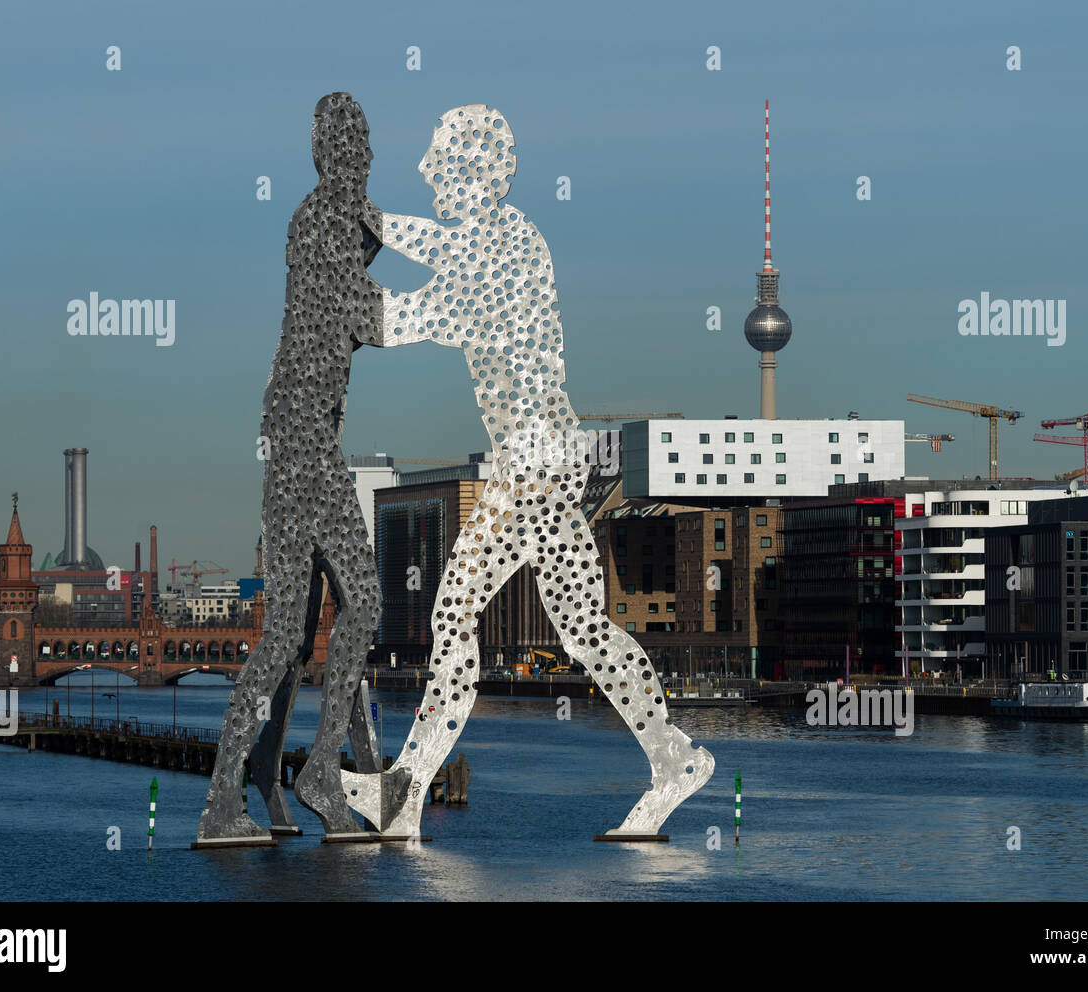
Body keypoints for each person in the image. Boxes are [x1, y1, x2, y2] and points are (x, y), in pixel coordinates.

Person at [342, 106, 714, 839]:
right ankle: (673, 757)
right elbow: (444, 248)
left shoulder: (504, 254)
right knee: (582, 631)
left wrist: (334, 297)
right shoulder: (506, 237)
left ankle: (405, 791)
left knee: (456, 615)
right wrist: (374, 220)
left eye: (439, 161)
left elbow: (412, 316)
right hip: (547, 461)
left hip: (532, 468)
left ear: (476, 171)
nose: (426, 170)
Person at [197, 93, 389, 843]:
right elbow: (365, 316)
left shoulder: (324, 219)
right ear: (331, 153)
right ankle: (303, 777)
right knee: (361, 604)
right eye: (352, 145)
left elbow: (354, 276)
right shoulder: (324, 221)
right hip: (304, 439)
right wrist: (462, 309)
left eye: (362, 144)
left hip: (296, 436)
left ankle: (261, 788)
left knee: (294, 628)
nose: (360, 156)